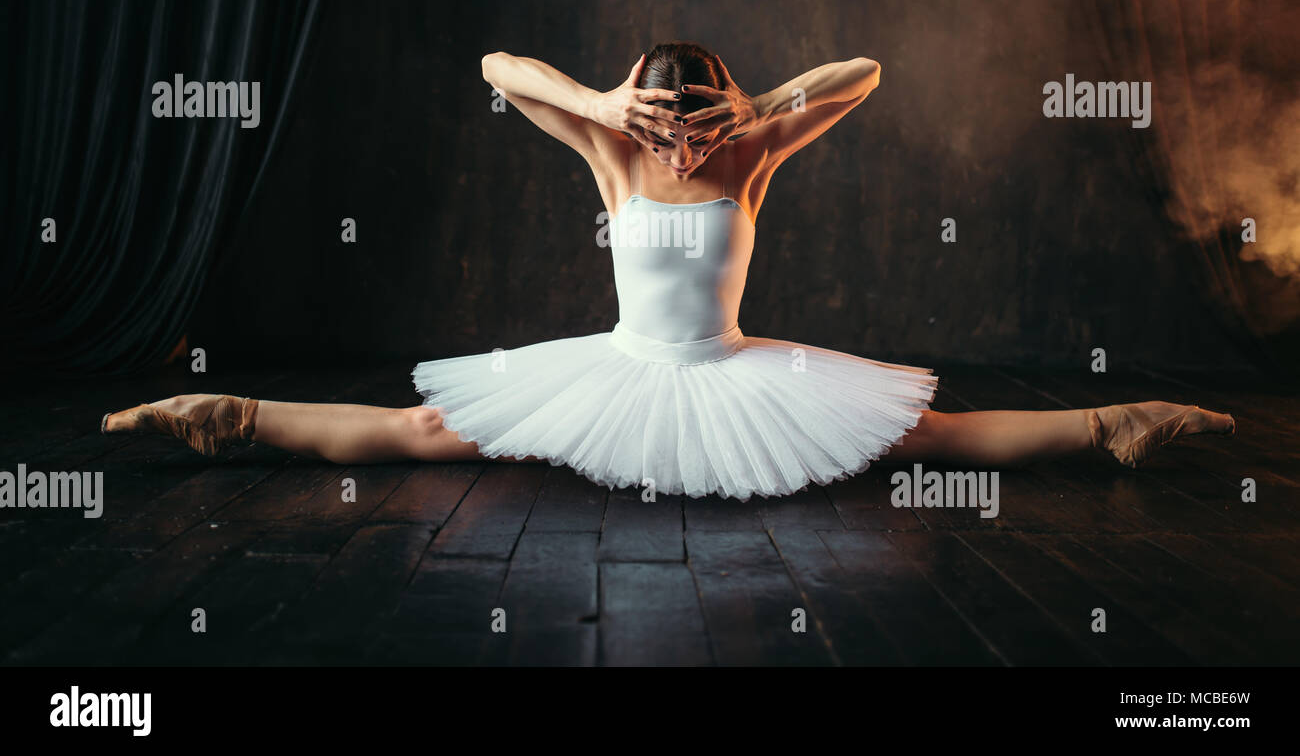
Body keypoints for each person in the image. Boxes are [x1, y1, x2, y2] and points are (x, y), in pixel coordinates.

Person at [103, 42, 1234, 500]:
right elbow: (499, 64)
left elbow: (865, 73)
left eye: (693, 114)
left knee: (918, 443)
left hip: (736, 366)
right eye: (663, 113)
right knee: (420, 433)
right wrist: (603, 106)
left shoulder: (749, 152)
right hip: (620, 365)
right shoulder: (609, 146)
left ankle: (1111, 425)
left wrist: (761, 105)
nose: (679, 135)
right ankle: (228, 415)